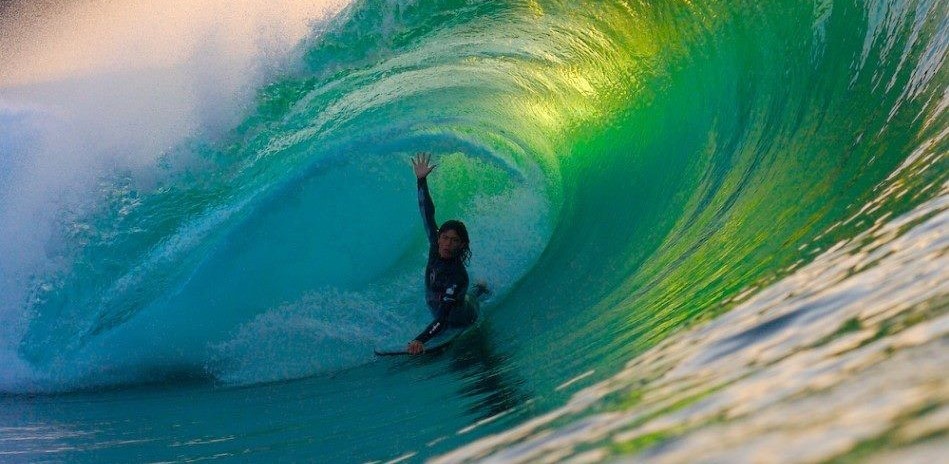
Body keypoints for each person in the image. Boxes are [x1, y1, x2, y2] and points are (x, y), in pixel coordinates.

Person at [407, 152, 488, 355]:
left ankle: (480, 292)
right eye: (444, 237)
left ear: (461, 245)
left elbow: (444, 318)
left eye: (454, 241)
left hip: (463, 316)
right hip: (447, 303)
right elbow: (427, 212)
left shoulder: (458, 276)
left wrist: (420, 340)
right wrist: (421, 180)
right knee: (470, 295)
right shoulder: (436, 245)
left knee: (467, 300)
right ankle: (482, 289)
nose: (447, 244)